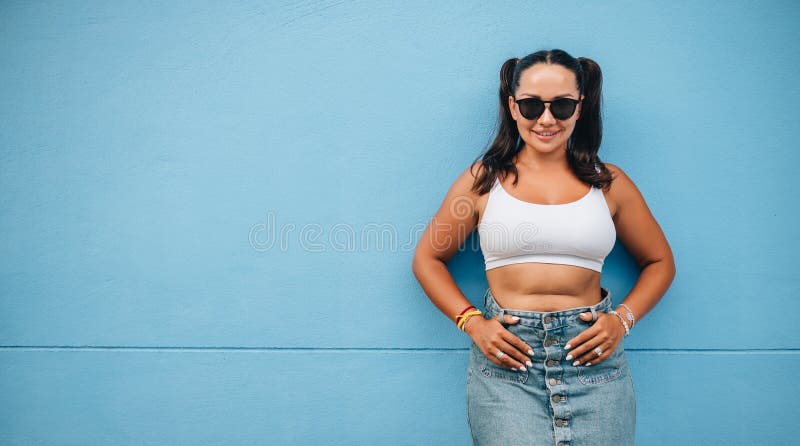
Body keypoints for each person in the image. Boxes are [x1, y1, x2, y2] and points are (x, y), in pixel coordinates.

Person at [411, 48, 676, 445]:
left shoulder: (609, 183)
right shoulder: (483, 180)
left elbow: (659, 262)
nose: (546, 119)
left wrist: (620, 321)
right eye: (532, 106)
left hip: (593, 362)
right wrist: (473, 323)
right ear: (512, 107)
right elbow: (427, 259)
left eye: (562, 105)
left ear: (580, 108)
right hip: (509, 365)